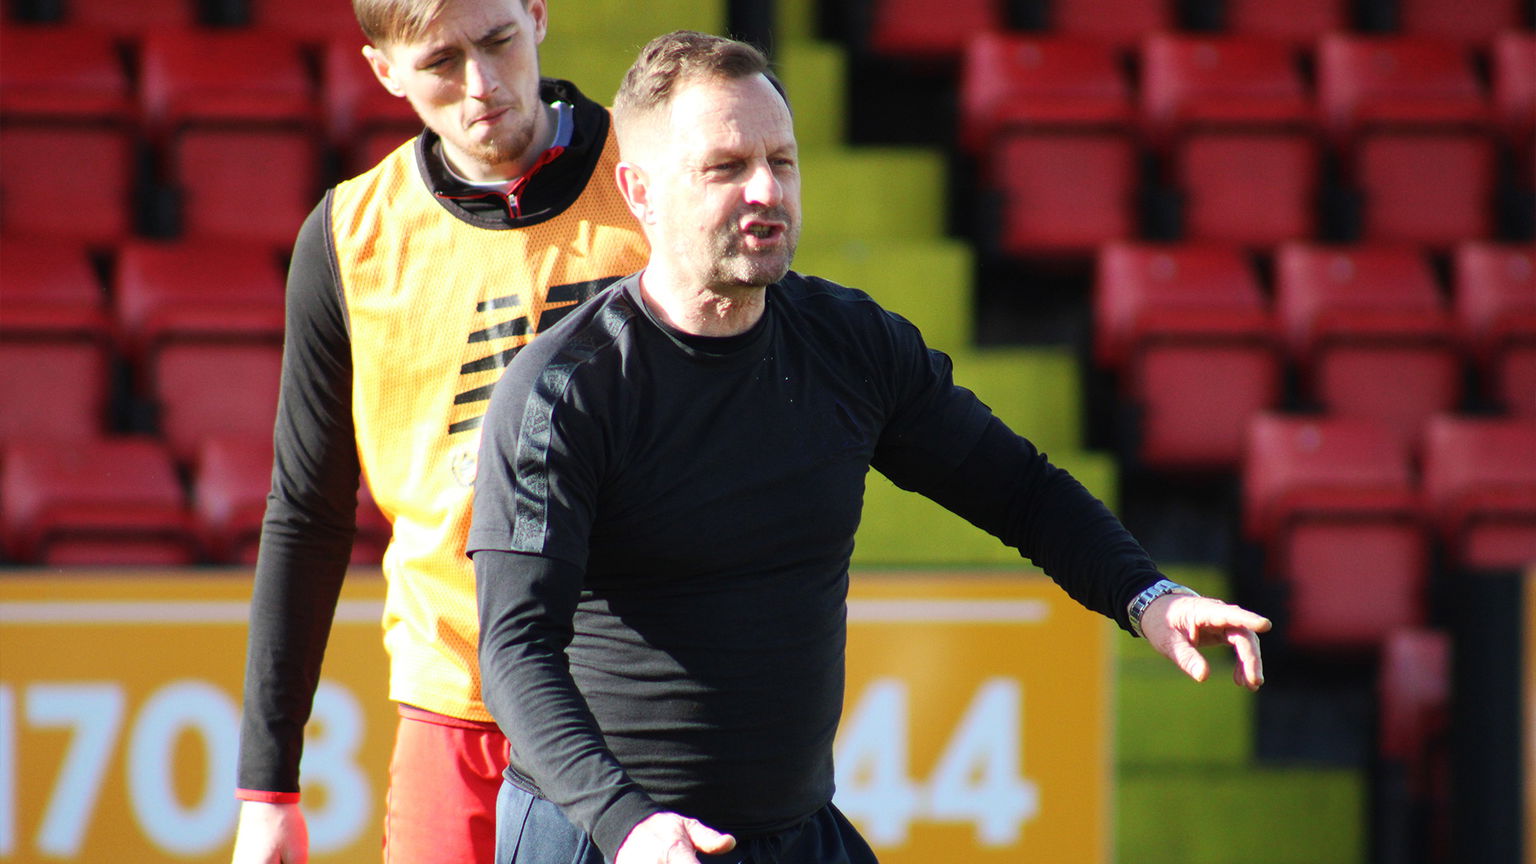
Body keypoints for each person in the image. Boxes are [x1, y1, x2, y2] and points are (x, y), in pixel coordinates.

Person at [468, 30, 1271, 864]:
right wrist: (628, 822)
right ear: (640, 192)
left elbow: (1018, 489)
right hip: (606, 839)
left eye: (782, 161)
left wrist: (1149, 596)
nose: (765, 189)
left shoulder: (848, 343)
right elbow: (515, 652)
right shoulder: (563, 391)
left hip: (796, 833)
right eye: (725, 167)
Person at [229, 0, 649, 860]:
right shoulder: (350, 239)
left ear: (537, 16)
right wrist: (266, 786)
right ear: (384, 70)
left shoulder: (655, 180)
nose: (482, 86)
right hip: (456, 708)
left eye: (497, 41)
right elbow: (306, 515)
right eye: (441, 63)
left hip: (640, 698)